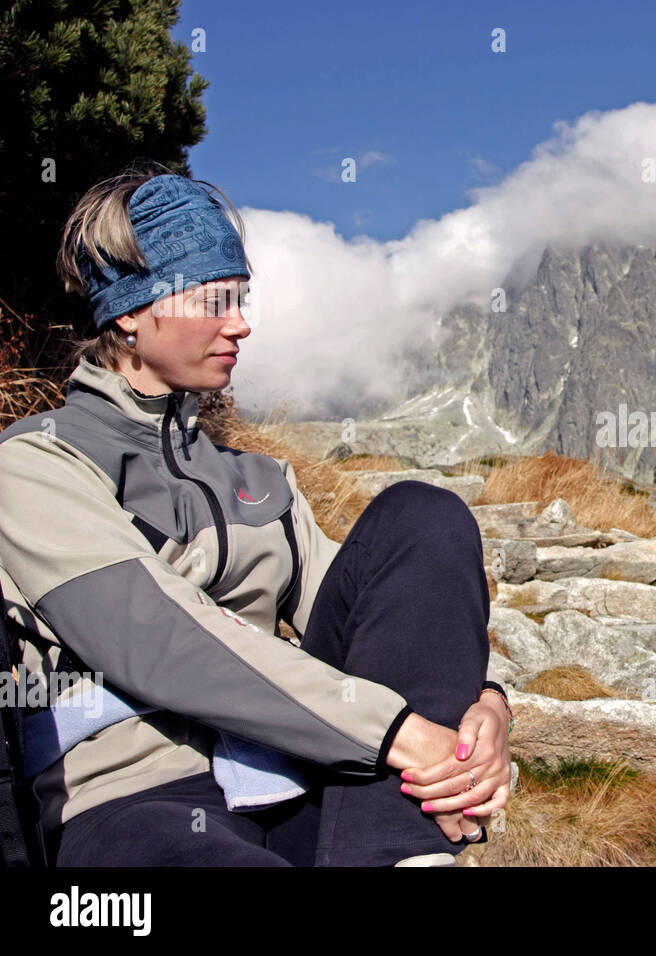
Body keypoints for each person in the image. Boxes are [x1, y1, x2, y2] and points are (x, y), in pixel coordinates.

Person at [0, 161, 512, 866]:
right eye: (214, 301)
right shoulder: (33, 465)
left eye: (241, 299)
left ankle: (403, 854)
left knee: (424, 518)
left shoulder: (257, 479)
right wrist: (395, 733)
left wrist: (485, 706)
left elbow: (396, 619)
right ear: (129, 311)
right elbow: (156, 642)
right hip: (135, 807)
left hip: (294, 789)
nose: (239, 324)